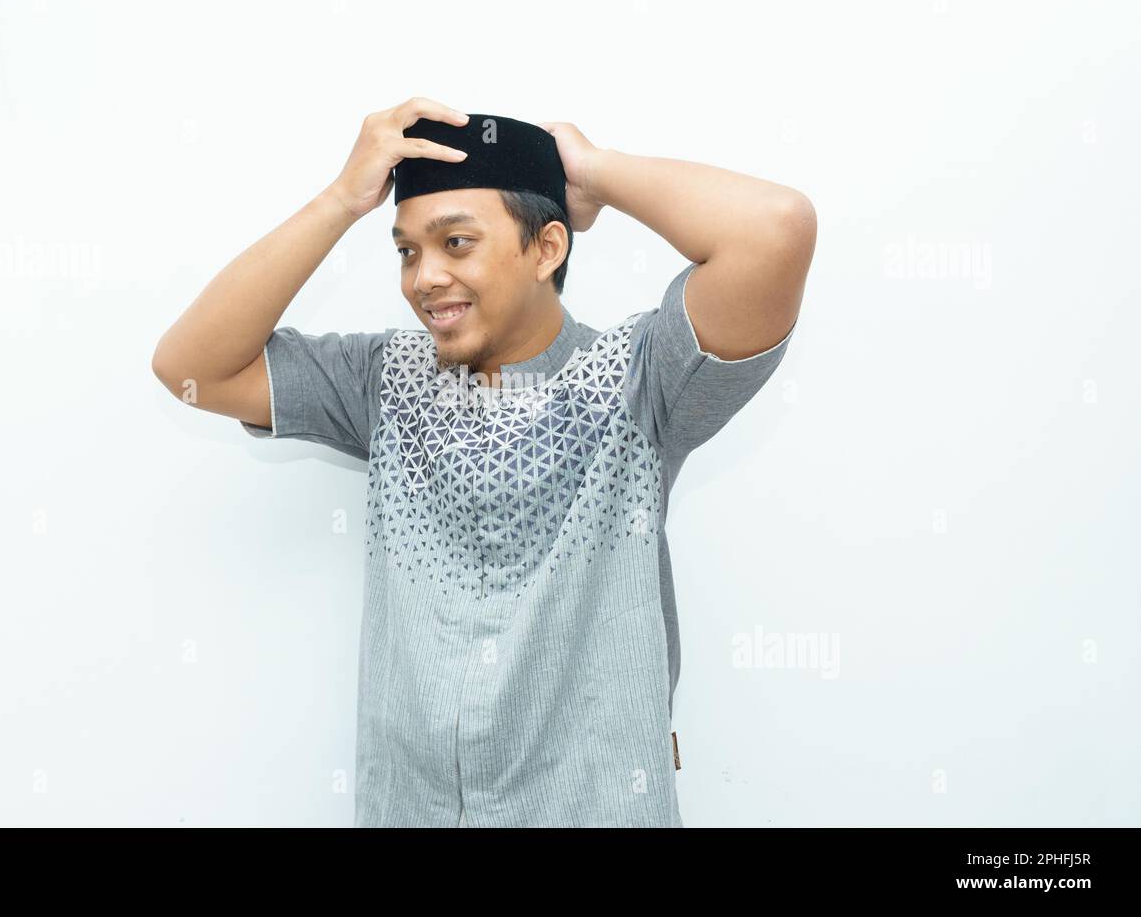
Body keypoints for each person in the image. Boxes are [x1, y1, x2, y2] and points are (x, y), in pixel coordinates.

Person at [152, 97, 816, 827]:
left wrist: (593, 173)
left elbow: (776, 230)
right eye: (407, 250)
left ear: (546, 248)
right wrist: (342, 200)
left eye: (456, 243)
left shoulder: (639, 381)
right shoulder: (383, 382)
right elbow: (192, 368)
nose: (423, 278)